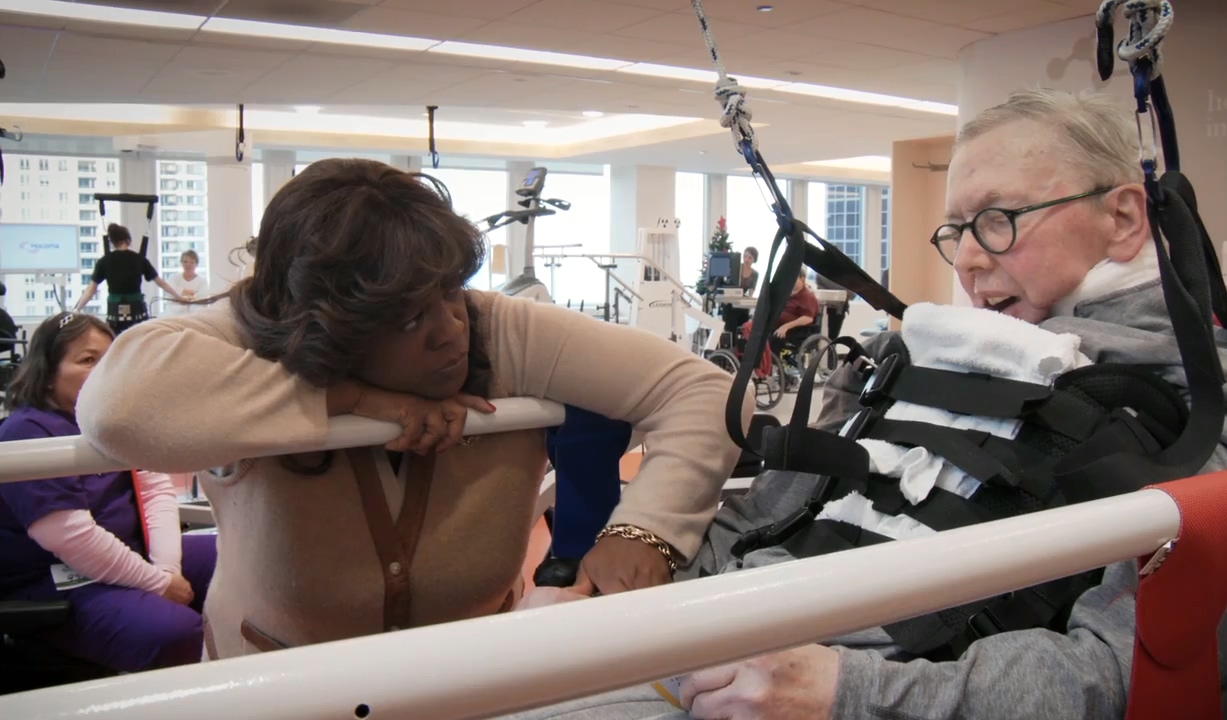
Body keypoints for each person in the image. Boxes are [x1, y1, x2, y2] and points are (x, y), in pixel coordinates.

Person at [506, 89, 1227, 719]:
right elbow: (773, 520)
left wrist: (850, 695)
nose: (971, 256)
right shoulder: (922, 358)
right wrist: (632, 598)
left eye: (999, 220)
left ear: (1123, 218)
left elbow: (1133, 676)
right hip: (722, 643)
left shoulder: (1216, 409)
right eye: (957, 230)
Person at [75, 158, 752, 659]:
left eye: (451, 293)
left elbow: (708, 390)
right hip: (274, 690)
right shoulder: (259, 329)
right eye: (405, 319)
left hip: (469, 682)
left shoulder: (496, 325)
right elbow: (120, 408)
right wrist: (347, 398)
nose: (450, 329)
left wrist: (646, 530)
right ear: (325, 326)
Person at [0, 313, 216, 672]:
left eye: (112, 359)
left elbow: (155, 491)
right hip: (55, 577)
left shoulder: (112, 419)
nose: (105, 371)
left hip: (128, 550)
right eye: (87, 360)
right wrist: (159, 584)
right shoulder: (26, 431)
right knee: (173, 633)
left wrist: (166, 570)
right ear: (48, 372)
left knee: (241, 558)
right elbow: (71, 538)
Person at [74, 223, 185, 333]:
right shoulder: (139, 259)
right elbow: (161, 283)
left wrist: (77, 309)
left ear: (112, 242)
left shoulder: (104, 261)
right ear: (128, 240)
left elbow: (91, 289)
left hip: (115, 316)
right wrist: (178, 297)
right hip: (137, 315)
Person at [164, 250, 209, 315]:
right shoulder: (174, 278)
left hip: (195, 315)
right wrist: (184, 292)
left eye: (192, 262)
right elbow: (169, 292)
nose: (188, 265)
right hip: (175, 314)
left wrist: (187, 298)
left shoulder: (202, 281)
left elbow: (202, 298)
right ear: (181, 263)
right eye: (185, 262)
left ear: (196, 264)